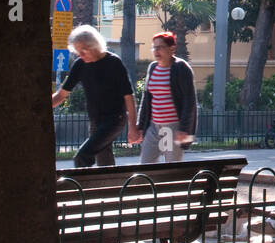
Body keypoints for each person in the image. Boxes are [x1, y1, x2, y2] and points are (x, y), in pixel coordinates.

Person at [52, 25, 140, 167]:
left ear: (93, 45)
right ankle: (110, 188)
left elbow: (129, 97)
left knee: (82, 156)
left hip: (115, 120)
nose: (80, 55)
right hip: (95, 122)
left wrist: (133, 127)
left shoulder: (114, 63)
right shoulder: (80, 65)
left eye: (83, 51)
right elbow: (61, 95)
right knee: (105, 163)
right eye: (77, 52)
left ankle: (82, 189)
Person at [137, 31, 197, 163]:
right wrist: (140, 126)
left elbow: (189, 101)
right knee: (145, 166)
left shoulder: (181, 68)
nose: (156, 51)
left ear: (172, 48)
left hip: (172, 128)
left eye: (160, 47)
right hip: (153, 127)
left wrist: (184, 130)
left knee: (171, 169)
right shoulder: (152, 68)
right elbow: (146, 100)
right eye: (154, 47)